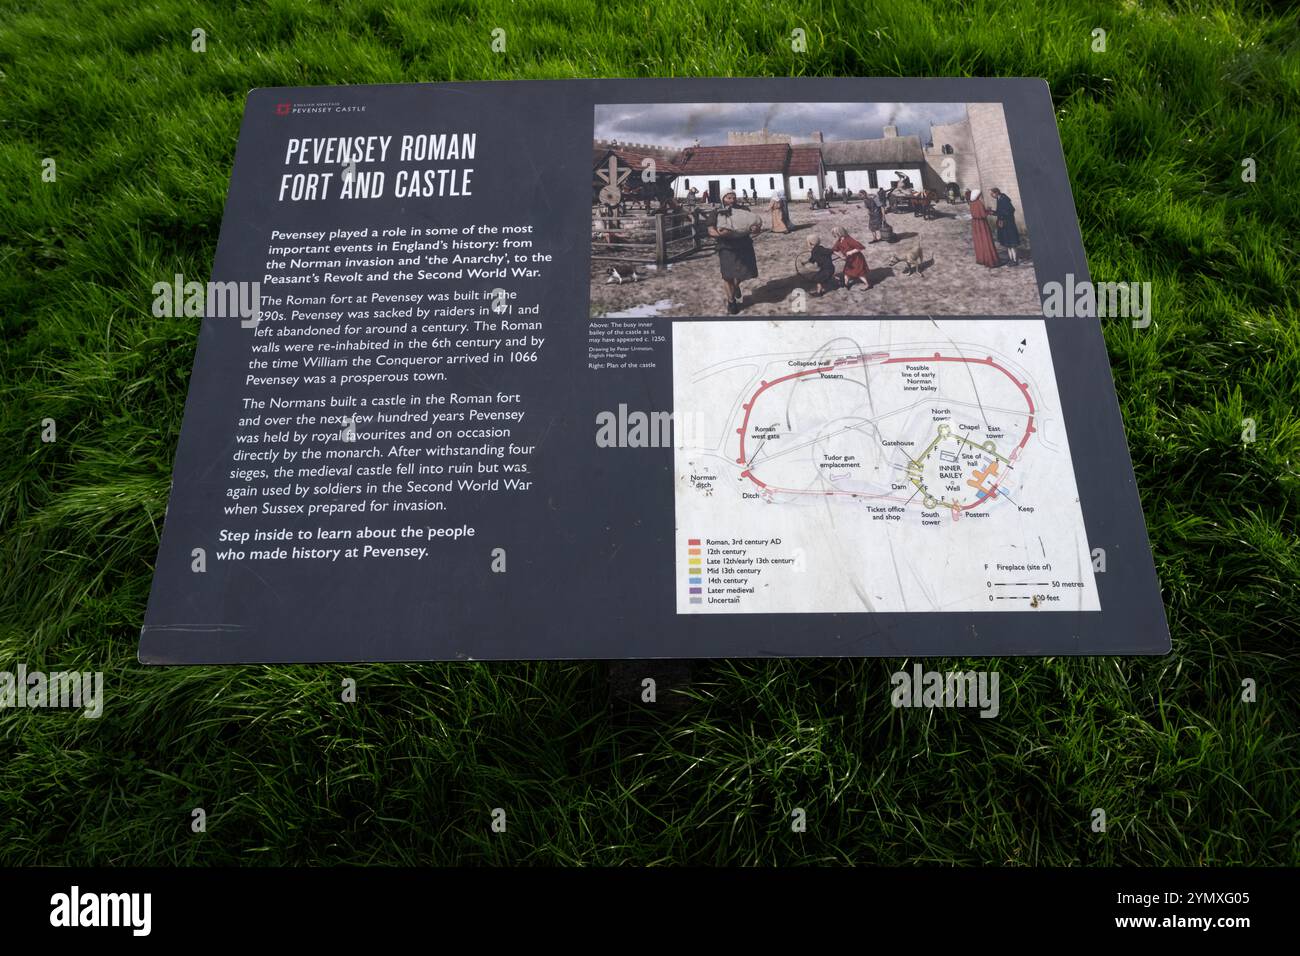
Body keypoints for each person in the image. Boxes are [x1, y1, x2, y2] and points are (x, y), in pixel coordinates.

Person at [708, 190, 762, 314]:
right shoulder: (716, 212)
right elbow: (710, 230)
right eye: (728, 198)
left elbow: (755, 226)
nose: (732, 200)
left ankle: (736, 287)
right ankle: (731, 302)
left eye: (733, 197)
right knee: (728, 276)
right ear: (723, 199)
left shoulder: (744, 210)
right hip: (726, 247)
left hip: (744, 245)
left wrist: (755, 229)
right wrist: (721, 235)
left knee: (743, 273)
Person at [989, 187, 1021, 265]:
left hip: (1008, 224)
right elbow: (1000, 212)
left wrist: (1000, 215)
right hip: (1004, 224)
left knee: (1012, 243)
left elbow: (1010, 210)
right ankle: (1011, 259)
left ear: (996, 193)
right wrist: (992, 212)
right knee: (1007, 243)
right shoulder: (999, 199)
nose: (991, 196)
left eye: (992, 194)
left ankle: (1015, 260)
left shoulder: (1004, 199)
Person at [968, 189, 999, 268]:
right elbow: (982, 215)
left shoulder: (971, 203)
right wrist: (988, 211)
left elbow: (977, 213)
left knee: (979, 241)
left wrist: (985, 211)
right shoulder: (978, 203)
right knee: (986, 239)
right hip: (981, 224)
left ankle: (981, 258)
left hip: (975, 224)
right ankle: (989, 260)